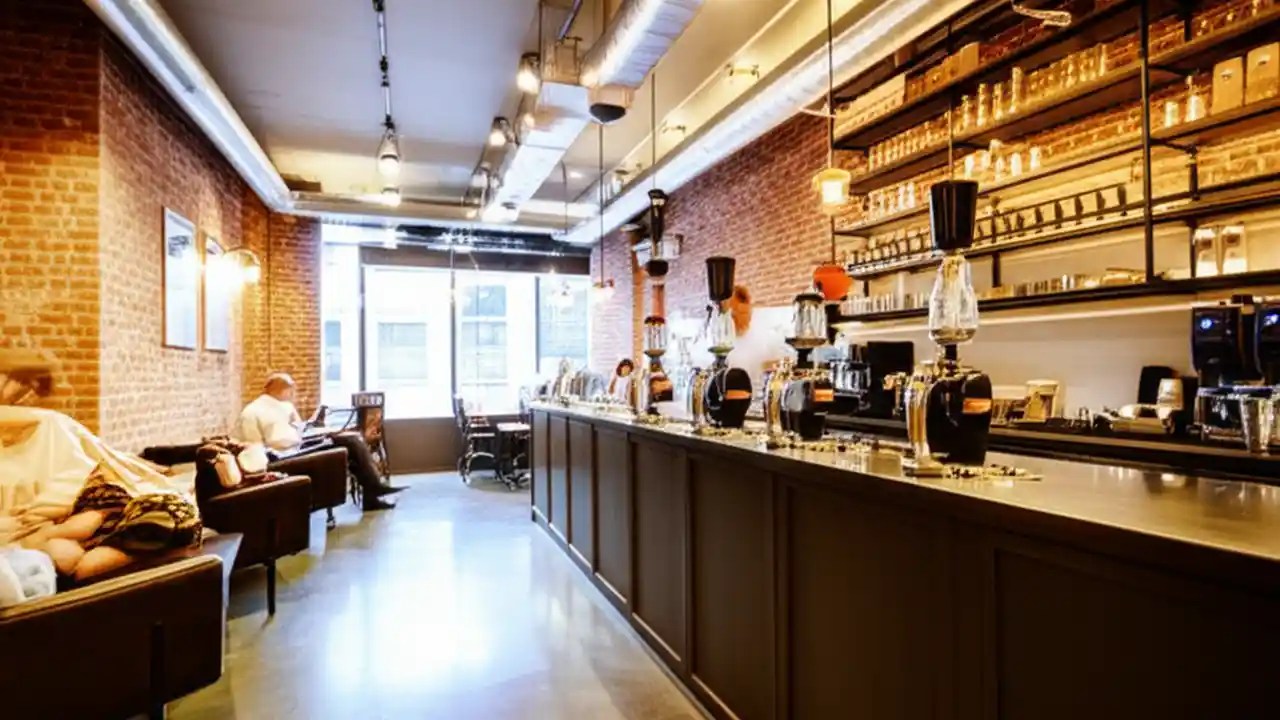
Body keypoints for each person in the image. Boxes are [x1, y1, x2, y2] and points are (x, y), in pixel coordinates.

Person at [239, 373, 404, 511]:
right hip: (284, 455)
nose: (292, 397)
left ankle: (372, 493)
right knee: (350, 441)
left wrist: (304, 429)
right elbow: (266, 445)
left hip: (293, 446)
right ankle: (374, 490)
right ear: (284, 391)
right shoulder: (256, 412)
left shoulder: (278, 407)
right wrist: (298, 436)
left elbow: (293, 428)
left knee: (349, 439)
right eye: (290, 393)